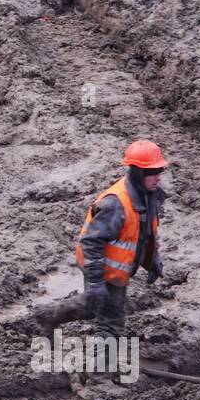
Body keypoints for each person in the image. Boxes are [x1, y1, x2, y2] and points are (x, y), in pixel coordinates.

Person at [70, 140, 169, 339]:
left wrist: (153, 259)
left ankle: (51, 316)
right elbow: (90, 243)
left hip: (116, 270)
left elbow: (145, 231)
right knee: (111, 324)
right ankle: (103, 367)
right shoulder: (115, 204)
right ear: (138, 173)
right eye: (153, 172)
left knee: (98, 308)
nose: (158, 178)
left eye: (160, 171)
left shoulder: (148, 196)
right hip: (102, 270)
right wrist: (96, 282)